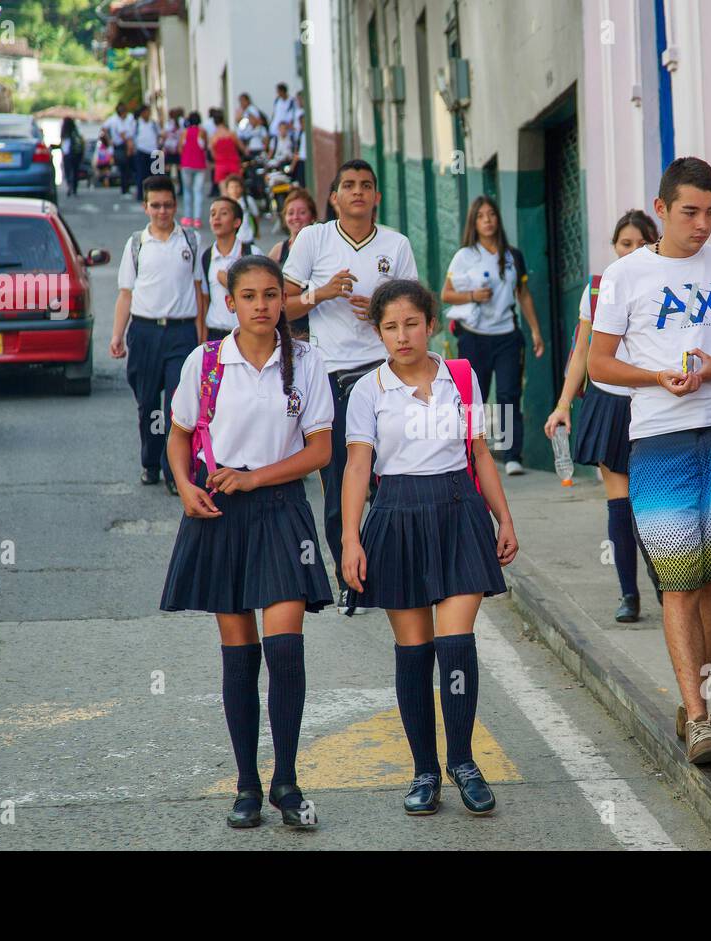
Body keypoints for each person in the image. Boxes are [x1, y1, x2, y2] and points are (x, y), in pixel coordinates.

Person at [588, 156, 711, 765]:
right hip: (659, 438)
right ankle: (697, 717)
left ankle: (698, 697)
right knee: (678, 578)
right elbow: (599, 365)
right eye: (691, 211)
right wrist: (655, 377)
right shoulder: (624, 275)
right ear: (661, 209)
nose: (703, 224)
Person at [160, 254, 334, 829]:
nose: (262, 305)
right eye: (250, 296)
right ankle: (247, 784)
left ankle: (286, 778)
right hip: (219, 512)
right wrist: (185, 487)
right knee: (239, 658)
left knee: (285, 649)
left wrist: (256, 477)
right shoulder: (206, 362)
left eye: (271, 295)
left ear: (283, 301)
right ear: (229, 303)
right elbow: (180, 435)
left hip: (282, 509)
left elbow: (320, 450)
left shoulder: (306, 361)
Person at [341, 278, 517, 816]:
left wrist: (503, 518)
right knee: (414, 652)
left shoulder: (460, 377)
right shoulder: (367, 390)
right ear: (378, 331)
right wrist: (351, 537)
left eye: (411, 324)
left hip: (459, 510)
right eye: (390, 327)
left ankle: (463, 761)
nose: (402, 336)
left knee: (457, 642)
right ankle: (423, 770)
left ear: (431, 325)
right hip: (395, 516)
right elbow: (357, 466)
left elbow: (480, 453)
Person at [282, 159, 418, 614]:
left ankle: (391, 571)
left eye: (366, 185)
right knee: (340, 481)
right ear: (334, 197)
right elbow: (281, 306)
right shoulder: (313, 239)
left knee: (389, 477)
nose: (357, 192)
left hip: (383, 373)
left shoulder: (396, 244)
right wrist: (320, 294)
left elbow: (412, 310)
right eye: (348, 186)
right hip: (329, 375)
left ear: (377, 196)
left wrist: (379, 312)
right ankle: (350, 578)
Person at [544, 209, 659, 622]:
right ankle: (629, 595)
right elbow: (582, 352)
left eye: (641, 244)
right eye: (624, 244)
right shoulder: (598, 288)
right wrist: (562, 404)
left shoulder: (663, 284)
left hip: (652, 402)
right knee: (620, 504)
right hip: (608, 403)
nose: (632, 251)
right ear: (614, 247)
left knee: (653, 505)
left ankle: (666, 584)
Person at [109, 175, 205, 493]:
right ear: (145, 207)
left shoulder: (189, 240)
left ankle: (174, 473)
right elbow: (126, 293)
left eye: (167, 205)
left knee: (178, 407)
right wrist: (117, 335)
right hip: (144, 331)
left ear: (175, 206)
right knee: (148, 404)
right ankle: (150, 462)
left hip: (181, 334)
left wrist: (201, 335)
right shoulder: (137, 244)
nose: (162, 211)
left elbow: (198, 290)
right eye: (155, 206)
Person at [441, 196, 544, 475]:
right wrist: (473, 295)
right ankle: (471, 452)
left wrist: (535, 330)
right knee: (474, 396)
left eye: (491, 214)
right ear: (474, 222)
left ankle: (512, 455)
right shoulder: (465, 256)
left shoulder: (513, 256)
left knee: (509, 394)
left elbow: (523, 295)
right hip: (474, 336)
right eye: (481, 216)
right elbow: (446, 294)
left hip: (507, 335)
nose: (487, 220)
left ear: (498, 219)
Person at [200, 196, 253, 341]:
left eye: (223, 213)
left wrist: (229, 281)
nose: (216, 218)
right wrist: (203, 338)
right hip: (215, 333)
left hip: (245, 334)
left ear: (237, 222)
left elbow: (258, 293)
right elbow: (204, 300)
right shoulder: (206, 256)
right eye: (212, 214)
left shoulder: (251, 253)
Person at [268, 187, 318, 336]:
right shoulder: (278, 250)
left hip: (314, 327)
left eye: (302, 212)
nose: (295, 217)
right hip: (286, 328)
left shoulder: (321, 250)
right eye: (290, 213)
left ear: (312, 217)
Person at [178, 113, 208, 228]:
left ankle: (188, 217)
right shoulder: (202, 132)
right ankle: (197, 218)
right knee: (198, 191)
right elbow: (205, 147)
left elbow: (180, 148)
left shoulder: (184, 132)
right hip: (199, 164)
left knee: (187, 191)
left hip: (186, 164)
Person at [102, 103, 135, 196]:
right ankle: (125, 189)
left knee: (127, 168)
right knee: (124, 168)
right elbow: (122, 135)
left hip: (125, 145)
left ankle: (126, 188)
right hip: (120, 146)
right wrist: (109, 140)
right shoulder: (115, 120)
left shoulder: (128, 118)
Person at [221, 174, 260, 246]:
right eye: (232, 187)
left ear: (242, 188)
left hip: (247, 237)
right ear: (227, 190)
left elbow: (256, 215)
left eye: (237, 187)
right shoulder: (225, 203)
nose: (234, 190)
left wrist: (256, 230)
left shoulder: (248, 200)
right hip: (232, 240)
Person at [132, 104, 161, 202]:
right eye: (146, 112)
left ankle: (155, 195)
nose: (147, 114)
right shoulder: (137, 124)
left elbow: (159, 136)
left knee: (155, 175)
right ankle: (141, 195)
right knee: (141, 174)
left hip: (154, 151)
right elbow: (132, 137)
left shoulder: (153, 124)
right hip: (141, 151)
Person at [210, 121, 244, 193]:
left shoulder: (214, 136)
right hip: (233, 163)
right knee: (235, 189)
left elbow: (212, 152)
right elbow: (241, 147)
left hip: (221, 164)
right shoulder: (231, 134)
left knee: (223, 191)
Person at [60, 117, 84, 198]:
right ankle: (74, 188)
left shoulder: (64, 132)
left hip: (67, 154)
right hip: (76, 154)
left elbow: (63, 145)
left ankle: (69, 186)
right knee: (75, 171)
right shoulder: (75, 131)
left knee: (68, 171)